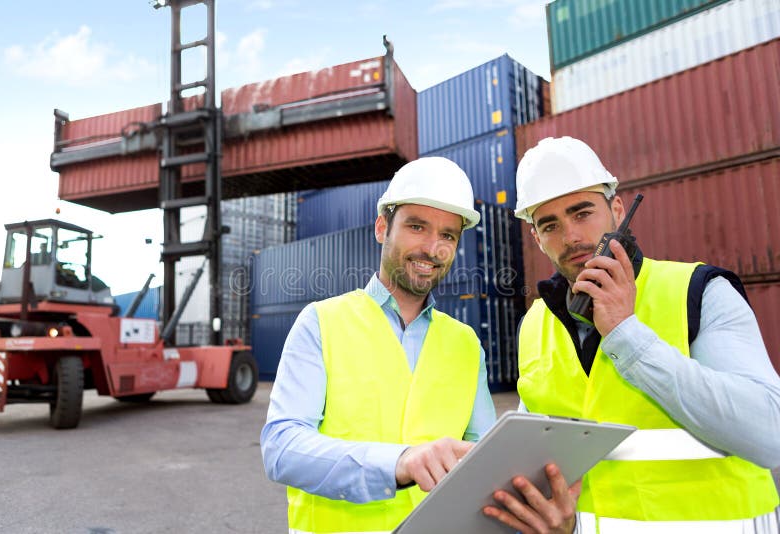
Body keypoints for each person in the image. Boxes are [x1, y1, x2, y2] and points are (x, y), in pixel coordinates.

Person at [261, 157, 578, 534]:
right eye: (416, 227)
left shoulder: (465, 343)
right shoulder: (321, 323)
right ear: (382, 227)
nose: (432, 248)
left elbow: (484, 462)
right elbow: (281, 449)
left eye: (448, 235)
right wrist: (401, 462)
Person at [488, 136, 780, 533]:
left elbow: (769, 436)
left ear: (617, 210)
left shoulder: (699, 291)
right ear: (537, 239)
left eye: (582, 212)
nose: (571, 236)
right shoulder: (536, 322)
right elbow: (542, 462)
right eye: (550, 224)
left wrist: (627, 335)